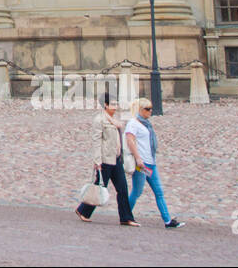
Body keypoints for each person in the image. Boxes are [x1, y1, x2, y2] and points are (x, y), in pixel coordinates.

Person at [76, 93, 136, 225]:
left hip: (116, 158)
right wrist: (97, 161)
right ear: (106, 105)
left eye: (116, 104)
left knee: (122, 188)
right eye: (113, 104)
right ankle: (83, 210)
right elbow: (96, 141)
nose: (116, 107)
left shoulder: (115, 120)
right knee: (100, 186)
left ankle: (126, 218)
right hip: (105, 159)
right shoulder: (99, 120)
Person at [125, 97, 184, 229]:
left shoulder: (146, 123)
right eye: (148, 109)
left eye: (151, 109)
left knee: (159, 192)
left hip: (151, 163)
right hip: (141, 164)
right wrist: (138, 158)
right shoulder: (133, 123)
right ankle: (126, 215)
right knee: (137, 191)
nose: (150, 111)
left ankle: (167, 221)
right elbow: (130, 140)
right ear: (140, 110)